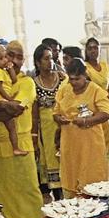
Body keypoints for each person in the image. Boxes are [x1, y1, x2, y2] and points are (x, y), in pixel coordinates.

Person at [0, 41, 42, 218]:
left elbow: (16, 109)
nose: (13, 60)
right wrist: (2, 108)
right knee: (3, 192)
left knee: (28, 190)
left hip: (20, 145)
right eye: (9, 55)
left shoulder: (27, 82)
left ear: (23, 60)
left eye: (18, 56)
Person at [54, 58, 109, 198]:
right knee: (71, 180)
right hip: (70, 144)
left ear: (85, 75)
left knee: (92, 182)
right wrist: (59, 118)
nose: (73, 82)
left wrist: (86, 121)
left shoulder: (95, 90)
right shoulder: (65, 90)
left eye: (77, 79)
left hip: (90, 145)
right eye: (71, 79)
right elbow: (56, 112)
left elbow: (106, 113)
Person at [32, 44, 65, 199]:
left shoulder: (62, 78)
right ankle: (57, 199)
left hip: (63, 126)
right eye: (46, 59)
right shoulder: (34, 83)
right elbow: (34, 113)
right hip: (46, 130)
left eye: (51, 58)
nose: (50, 62)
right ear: (38, 63)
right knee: (51, 161)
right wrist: (34, 136)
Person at [84, 37, 109, 152]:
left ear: (99, 49)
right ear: (86, 51)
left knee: (107, 142)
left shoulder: (104, 65)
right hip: (92, 108)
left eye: (95, 48)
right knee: (96, 142)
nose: (93, 51)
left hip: (105, 106)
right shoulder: (85, 67)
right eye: (90, 48)